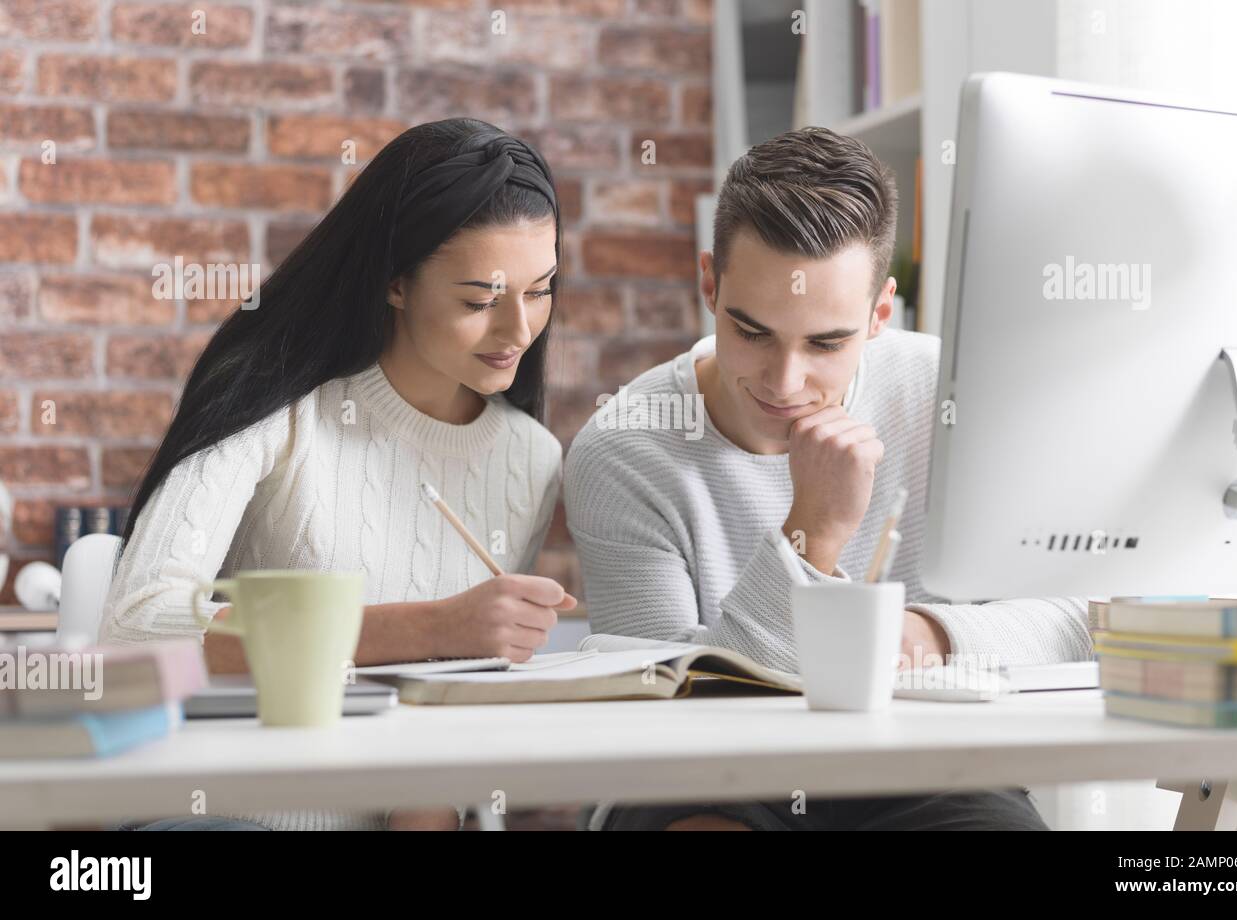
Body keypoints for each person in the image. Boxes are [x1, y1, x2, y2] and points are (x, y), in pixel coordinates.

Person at [564, 126, 1092, 831]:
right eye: (752, 332)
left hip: (926, 767)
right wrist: (813, 532)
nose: (785, 382)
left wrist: (909, 639)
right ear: (708, 285)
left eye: (825, 342)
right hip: (705, 783)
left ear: (880, 315)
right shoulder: (623, 448)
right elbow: (672, 723)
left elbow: (1075, 618)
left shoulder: (952, 398)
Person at [104, 118, 576, 831]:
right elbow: (135, 632)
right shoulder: (270, 403)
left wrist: (439, 805)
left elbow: (449, 710)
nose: (517, 330)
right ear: (395, 283)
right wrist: (431, 626)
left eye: (540, 291)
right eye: (480, 299)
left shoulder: (530, 457)